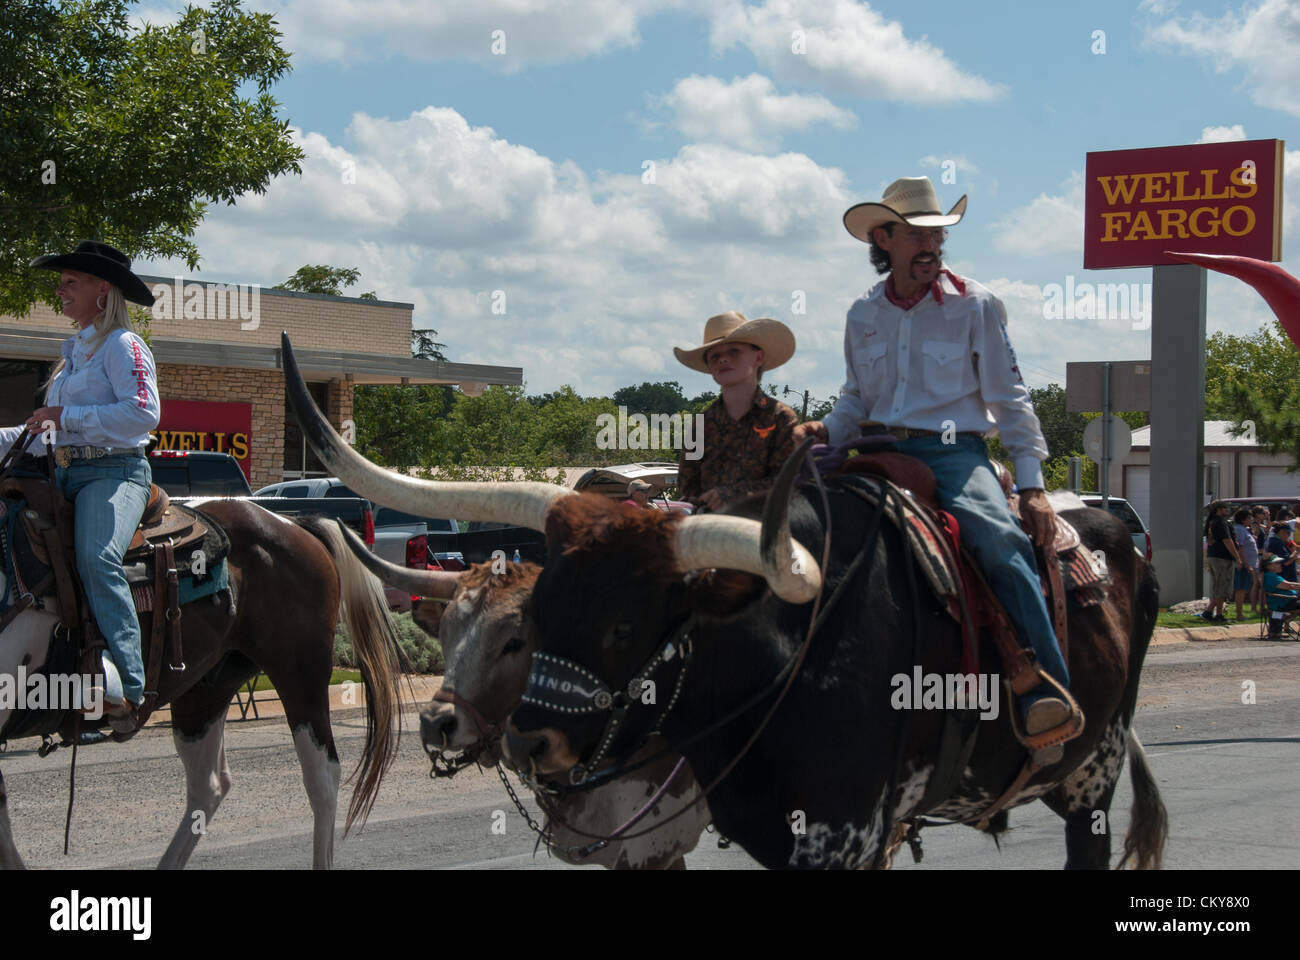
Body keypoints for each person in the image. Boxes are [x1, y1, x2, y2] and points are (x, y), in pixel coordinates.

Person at [792, 175, 1077, 758]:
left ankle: (1046, 690)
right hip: (870, 449)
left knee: (1000, 543)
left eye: (937, 234)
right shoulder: (861, 313)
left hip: (953, 454)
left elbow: (1011, 397)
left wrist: (1032, 485)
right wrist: (827, 429)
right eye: (918, 233)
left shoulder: (976, 303)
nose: (931, 244)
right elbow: (855, 397)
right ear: (883, 238)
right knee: (801, 531)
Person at [0, 241, 160, 732]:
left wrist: (66, 415)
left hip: (115, 473)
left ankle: (129, 687)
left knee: (96, 556)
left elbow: (144, 413)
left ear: (102, 289)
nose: (61, 289)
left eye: (72, 281)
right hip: (63, 472)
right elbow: (41, 430)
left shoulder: (124, 345)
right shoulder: (73, 355)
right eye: (62, 281)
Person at [673, 312, 798, 511]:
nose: (723, 359)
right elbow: (688, 486)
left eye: (734, 352)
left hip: (765, 525)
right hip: (709, 524)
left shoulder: (781, 418)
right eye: (714, 356)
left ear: (758, 357)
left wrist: (732, 495)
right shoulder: (700, 424)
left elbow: (789, 482)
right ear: (709, 366)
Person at [1201, 501, 1241, 623]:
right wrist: (1237, 557)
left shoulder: (1213, 522)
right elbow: (1227, 541)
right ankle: (1219, 615)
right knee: (1222, 586)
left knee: (1218, 586)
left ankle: (1208, 612)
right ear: (1219, 510)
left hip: (1215, 557)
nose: (1227, 510)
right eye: (1225, 508)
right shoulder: (1220, 522)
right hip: (1222, 559)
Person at [1259, 553, 1300, 639]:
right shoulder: (1270, 576)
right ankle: (1285, 618)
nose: (1280, 564)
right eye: (1276, 563)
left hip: (1285, 601)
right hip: (1282, 603)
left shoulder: (1272, 575)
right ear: (1269, 566)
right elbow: (1290, 586)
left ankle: (1284, 619)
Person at [1232, 508, 1260, 619]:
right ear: (1243, 519)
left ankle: (1240, 613)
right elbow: (1240, 547)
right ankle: (1239, 614)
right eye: (1249, 517)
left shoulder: (1244, 529)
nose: (1251, 519)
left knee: (1244, 588)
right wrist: (1245, 563)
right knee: (1241, 589)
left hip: (1249, 564)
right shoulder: (1239, 529)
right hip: (1243, 565)